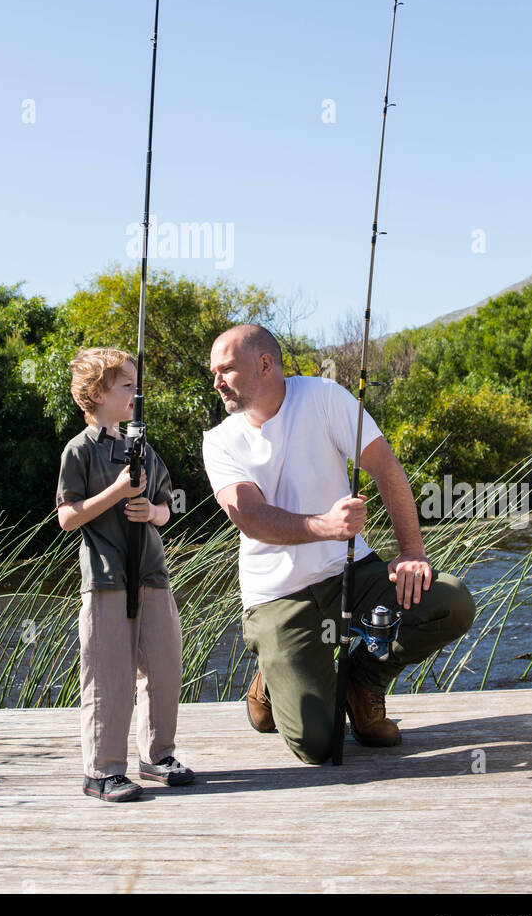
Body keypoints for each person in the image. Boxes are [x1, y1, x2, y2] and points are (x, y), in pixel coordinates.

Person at [202, 324, 475, 765]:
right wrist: (323, 526)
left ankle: (362, 681)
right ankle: (268, 678)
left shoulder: (325, 397)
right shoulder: (219, 441)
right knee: (320, 746)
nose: (216, 382)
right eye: (214, 372)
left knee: (452, 601)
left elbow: (386, 470)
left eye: (226, 370)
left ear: (265, 365)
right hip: (276, 597)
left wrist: (411, 554)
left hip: (350, 572)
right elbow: (249, 517)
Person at [56, 347, 195, 802]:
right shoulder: (78, 451)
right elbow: (67, 517)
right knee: (108, 675)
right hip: (106, 576)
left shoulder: (145, 450)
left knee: (163, 666)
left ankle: (157, 756)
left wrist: (151, 510)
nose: (136, 394)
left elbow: (167, 508)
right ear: (97, 394)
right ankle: (102, 770)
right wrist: (117, 492)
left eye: (136, 385)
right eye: (127, 386)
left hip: (152, 573)